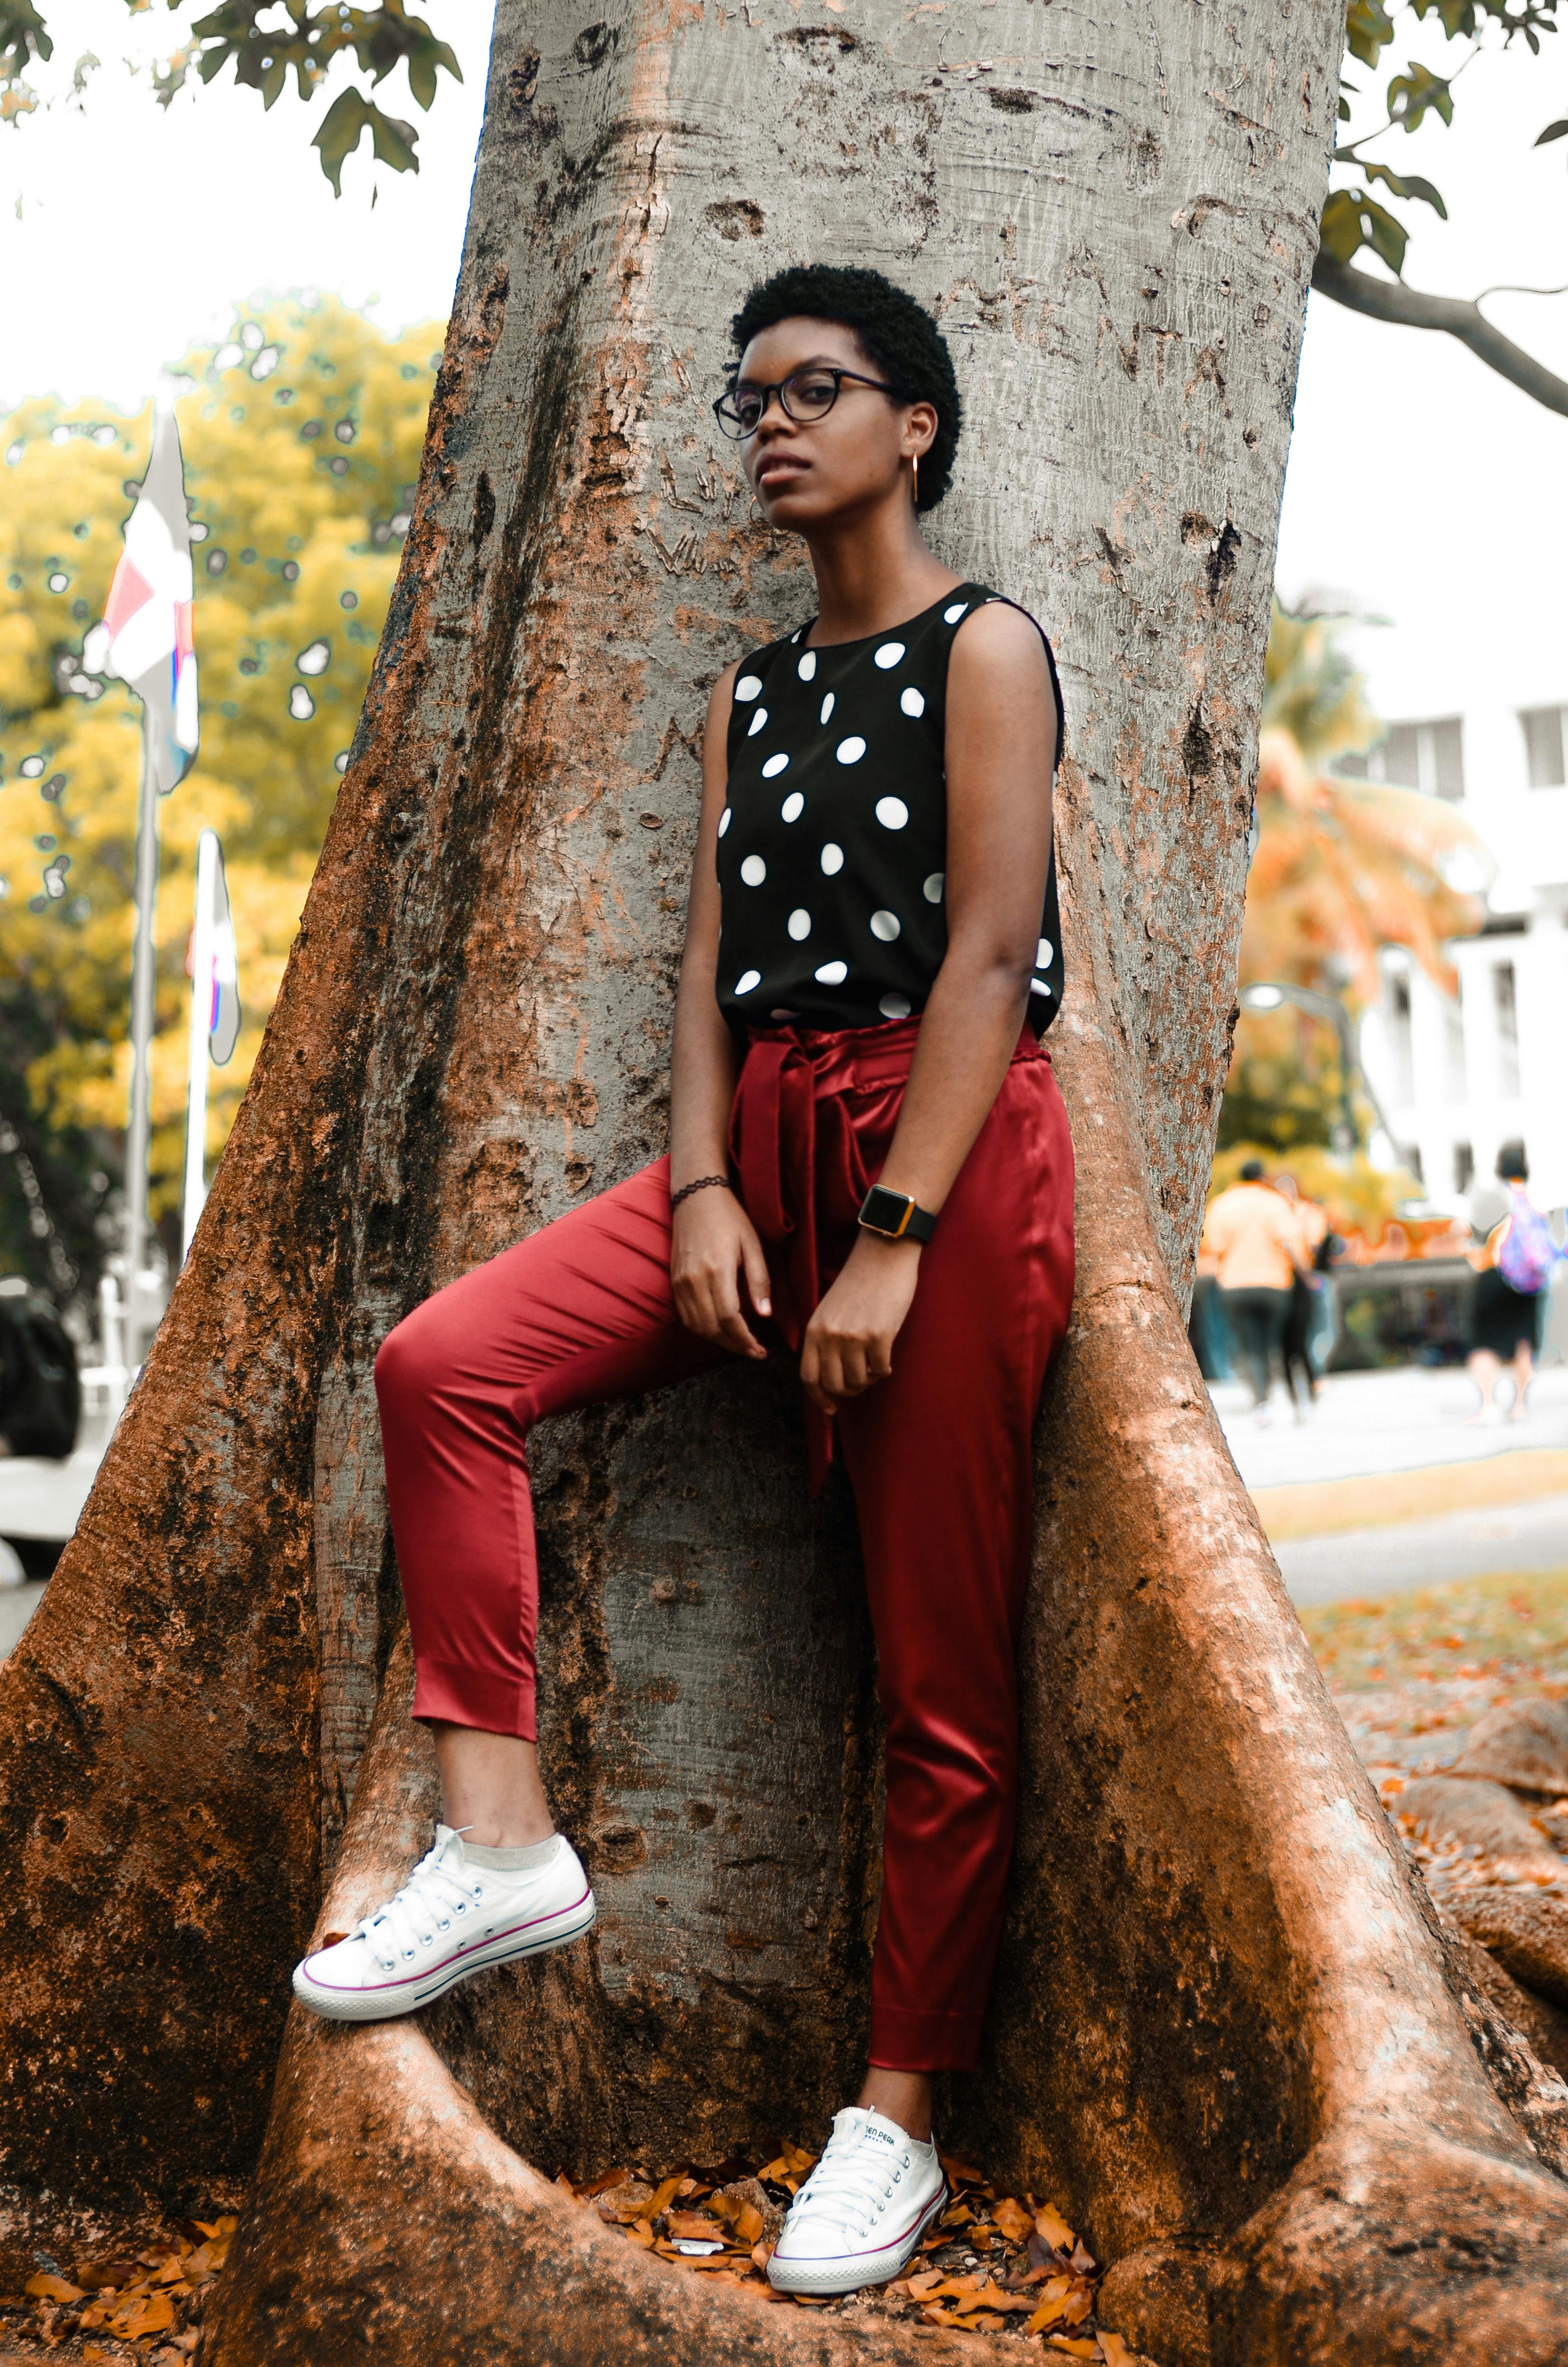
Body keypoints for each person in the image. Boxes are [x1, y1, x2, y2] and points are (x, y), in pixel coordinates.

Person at [291, 265, 1075, 2299]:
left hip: (940, 1143)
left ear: (915, 426)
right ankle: (498, 1840)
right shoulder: (747, 690)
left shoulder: (984, 649)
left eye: (815, 391)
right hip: (762, 1143)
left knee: (939, 1680)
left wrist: (890, 1237)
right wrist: (711, 1191)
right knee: (442, 1360)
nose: (771, 426)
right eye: (748, 398)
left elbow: (989, 956)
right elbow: (710, 966)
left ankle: (892, 2118)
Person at [1200, 1159, 1307, 1415]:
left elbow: (1214, 1247)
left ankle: (1260, 1399)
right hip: (1274, 1284)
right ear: (1262, 1176)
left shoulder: (1223, 1204)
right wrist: (1307, 1275)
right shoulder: (1274, 1202)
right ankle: (1280, 1392)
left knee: (1248, 1344)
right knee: (1272, 1341)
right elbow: (1290, 1243)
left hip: (1235, 1285)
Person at [1467, 1141, 1560, 1424]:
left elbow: (1475, 1235)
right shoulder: (1536, 1200)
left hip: (1495, 1276)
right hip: (1529, 1283)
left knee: (1485, 1343)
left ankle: (1488, 1405)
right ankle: (1519, 1405)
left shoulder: (1491, 1196)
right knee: (1524, 1343)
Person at [1274, 1173, 1330, 1412]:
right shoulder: (1274, 1215)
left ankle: (1314, 1379)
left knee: (1312, 1333)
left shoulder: (1307, 1213)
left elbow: (1315, 1245)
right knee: (1287, 1343)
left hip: (1307, 1279)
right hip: (1281, 1280)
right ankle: (1298, 1394)